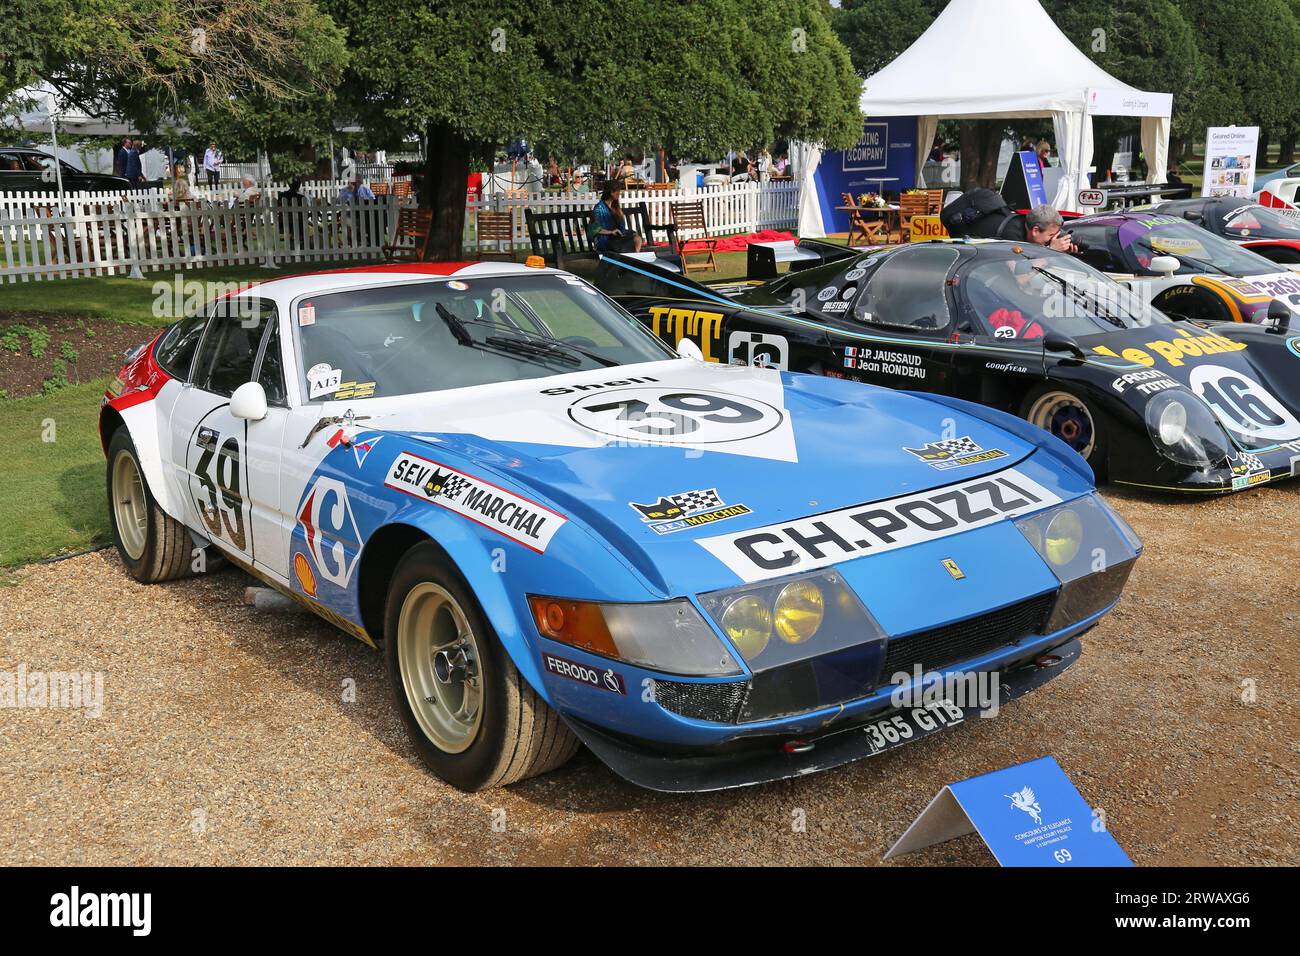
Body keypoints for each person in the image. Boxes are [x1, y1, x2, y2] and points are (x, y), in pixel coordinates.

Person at [590, 183, 642, 253]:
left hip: (616, 237)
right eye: (616, 191)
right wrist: (611, 232)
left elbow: (621, 228)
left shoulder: (616, 207)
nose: (619, 193)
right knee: (625, 244)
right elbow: (594, 229)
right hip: (605, 239)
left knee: (637, 238)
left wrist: (628, 233)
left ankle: (633, 259)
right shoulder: (599, 208)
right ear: (610, 192)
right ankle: (627, 260)